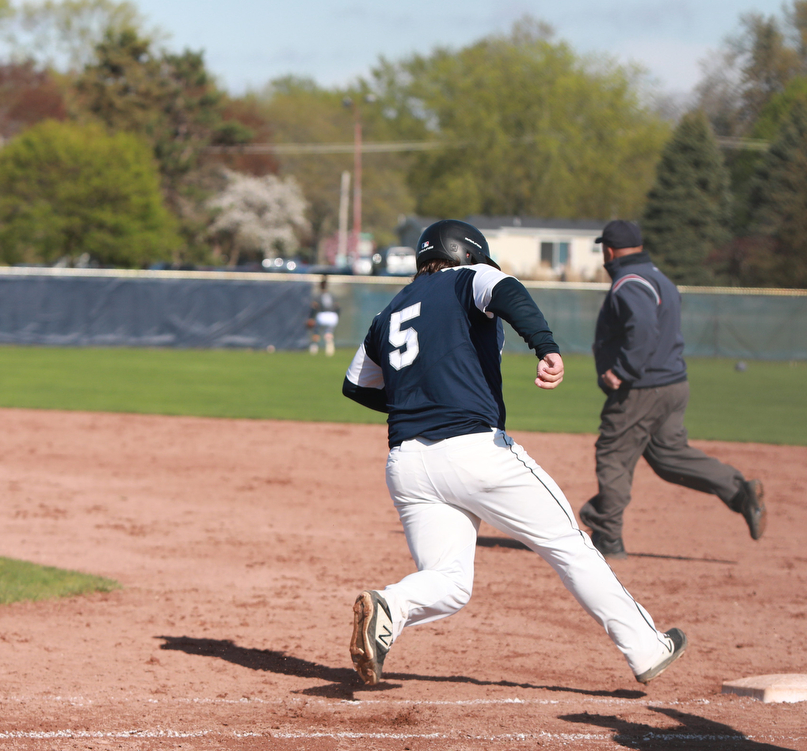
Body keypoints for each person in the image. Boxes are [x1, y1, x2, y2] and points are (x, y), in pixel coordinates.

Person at [341, 219, 687, 687]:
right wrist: (545, 346)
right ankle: (646, 648)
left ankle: (390, 605)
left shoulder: (389, 311)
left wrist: (415, 397)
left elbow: (356, 384)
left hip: (408, 465)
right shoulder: (467, 278)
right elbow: (506, 289)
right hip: (475, 451)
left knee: (448, 582)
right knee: (569, 545)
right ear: (465, 254)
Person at [576, 219, 765, 559]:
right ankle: (739, 492)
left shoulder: (628, 282)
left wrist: (623, 370)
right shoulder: (657, 277)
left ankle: (607, 536)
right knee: (669, 456)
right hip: (673, 385)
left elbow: (644, 328)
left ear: (609, 250)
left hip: (642, 388)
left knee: (613, 454)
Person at [309, 275, 340, 356]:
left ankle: (314, 347)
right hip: (333, 316)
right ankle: (329, 348)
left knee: (316, 330)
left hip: (322, 315)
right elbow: (338, 307)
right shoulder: (332, 295)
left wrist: (311, 318)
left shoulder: (318, 296)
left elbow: (314, 307)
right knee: (329, 331)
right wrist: (337, 317)